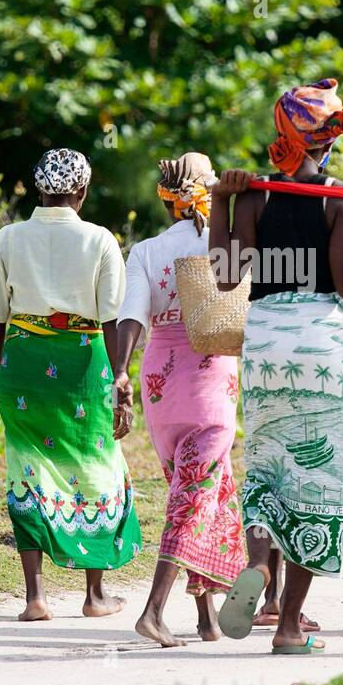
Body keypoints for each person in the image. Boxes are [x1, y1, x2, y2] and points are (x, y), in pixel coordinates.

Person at [210, 78, 343, 654]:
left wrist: (220, 203)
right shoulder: (338, 200)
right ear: (325, 143)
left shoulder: (255, 197)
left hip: (265, 350)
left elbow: (227, 277)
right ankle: (288, 627)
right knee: (316, 485)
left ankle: (258, 563)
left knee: (264, 473)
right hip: (320, 355)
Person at [0, 148, 138, 621]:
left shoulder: (9, 237)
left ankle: (35, 597)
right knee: (95, 467)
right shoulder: (100, 240)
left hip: (23, 363)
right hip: (84, 367)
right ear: (82, 192)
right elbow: (112, 319)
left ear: (39, 189)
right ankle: (94, 594)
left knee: (25, 470)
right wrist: (121, 376)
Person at [110, 152, 245, 647]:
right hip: (209, 374)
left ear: (168, 202)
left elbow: (131, 317)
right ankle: (153, 611)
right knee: (193, 497)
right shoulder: (228, 243)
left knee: (194, 490)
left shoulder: (146, 250)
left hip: (159, 383)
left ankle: (207, 616)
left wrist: (121, 371)